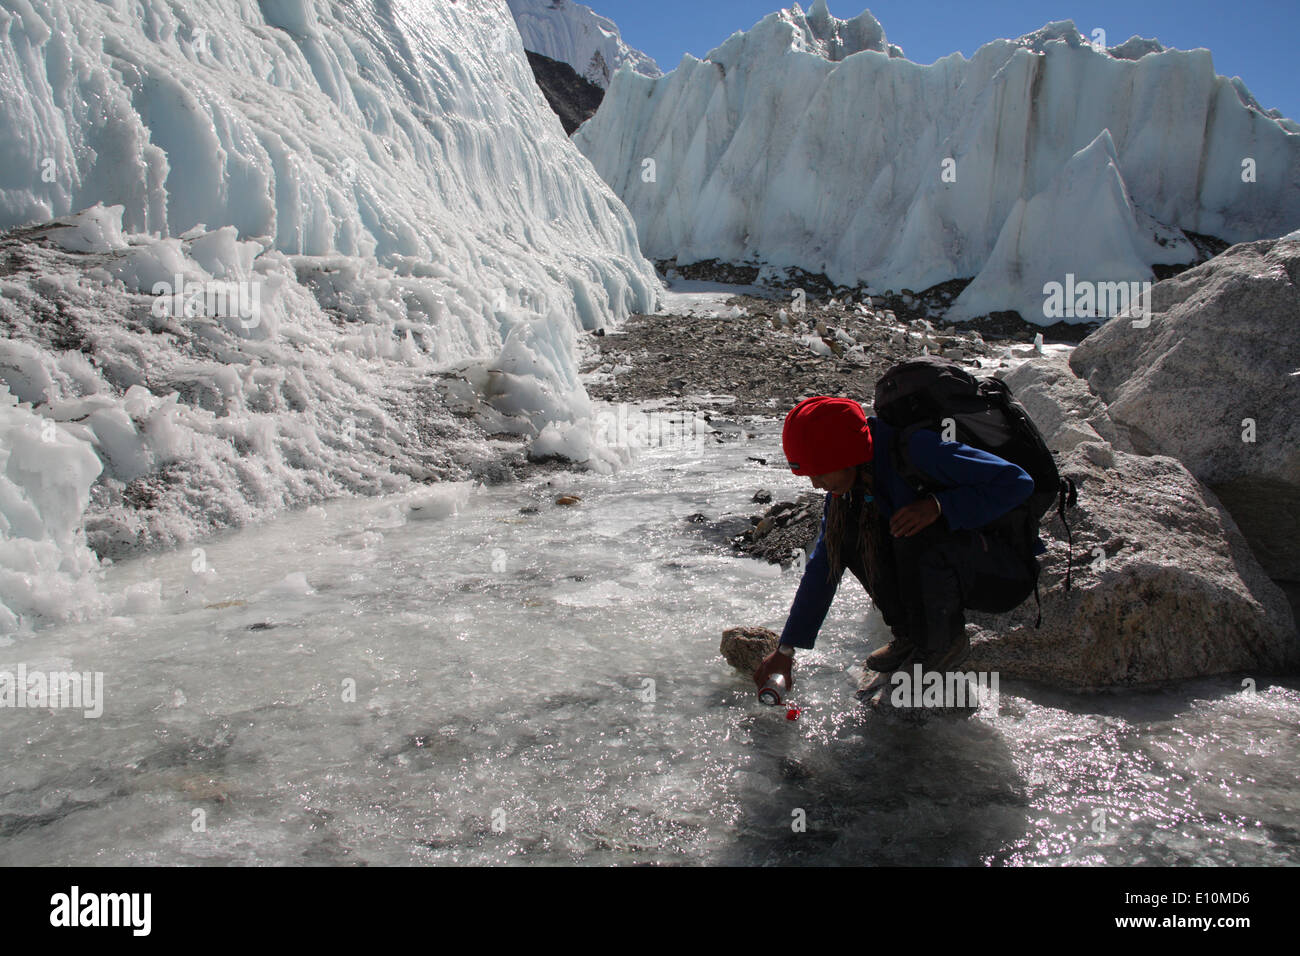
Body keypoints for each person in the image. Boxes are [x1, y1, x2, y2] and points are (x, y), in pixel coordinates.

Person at [753, 395, 1045, 696]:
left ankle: (943, 644)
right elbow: (823, 568)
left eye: (820, 472)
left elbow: (1017, 482)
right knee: (846, 539)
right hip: (950, 567)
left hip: (1001, 571)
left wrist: (938, 505)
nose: (816, 484)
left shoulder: (916, 449)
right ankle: (911, 636)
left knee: (913, 528)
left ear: (845, 453)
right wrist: (786, 649)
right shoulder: (849, 484)